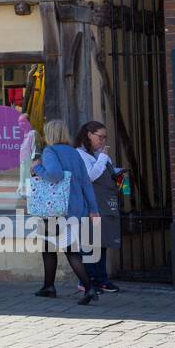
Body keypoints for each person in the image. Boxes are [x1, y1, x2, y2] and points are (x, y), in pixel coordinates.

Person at [32, 119, 100, 305]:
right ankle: (48, 286)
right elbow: (86, 182)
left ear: (50, 134)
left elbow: (55, 175)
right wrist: (93, 208)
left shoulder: (50, 151)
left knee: (67, 250)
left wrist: (37, 168)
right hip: (74, 208)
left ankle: (89, 288)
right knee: (49, 247)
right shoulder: (74, 153)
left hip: (56, 209)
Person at [74, 121, 122, 294]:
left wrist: (118, 174)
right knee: (89, 244)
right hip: (88, 205)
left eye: (105, 138)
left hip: (104, 204)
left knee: (102, 242)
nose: (103, 141)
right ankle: (87, 280)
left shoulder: (100, 155)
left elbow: (107, 173)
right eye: (100, 137)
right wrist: (102, 158)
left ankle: (102, 279)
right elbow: (89, 177)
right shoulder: (79, 155)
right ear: (89, 135)